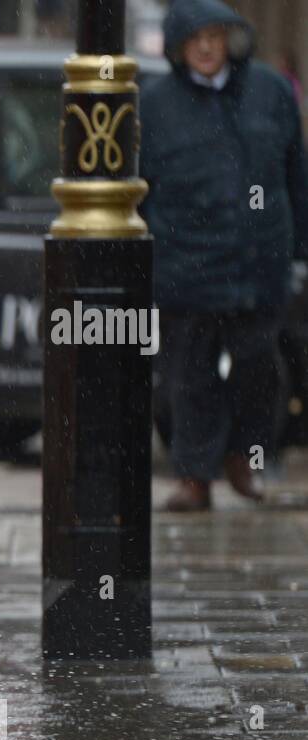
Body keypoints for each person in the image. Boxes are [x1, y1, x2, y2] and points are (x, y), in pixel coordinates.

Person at [140, 0, 308, 511]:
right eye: (196, 39)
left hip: (260, 263)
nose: (208, 48)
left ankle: (244, 457)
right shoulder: (154, 103)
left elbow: (295, 176)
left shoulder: (270, 91)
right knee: (190, 378)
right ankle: (195, 477)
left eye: (216, 36)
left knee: (260, 369)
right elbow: (141, 189)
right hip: (186, 268)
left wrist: (297, 250)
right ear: (178, 48)